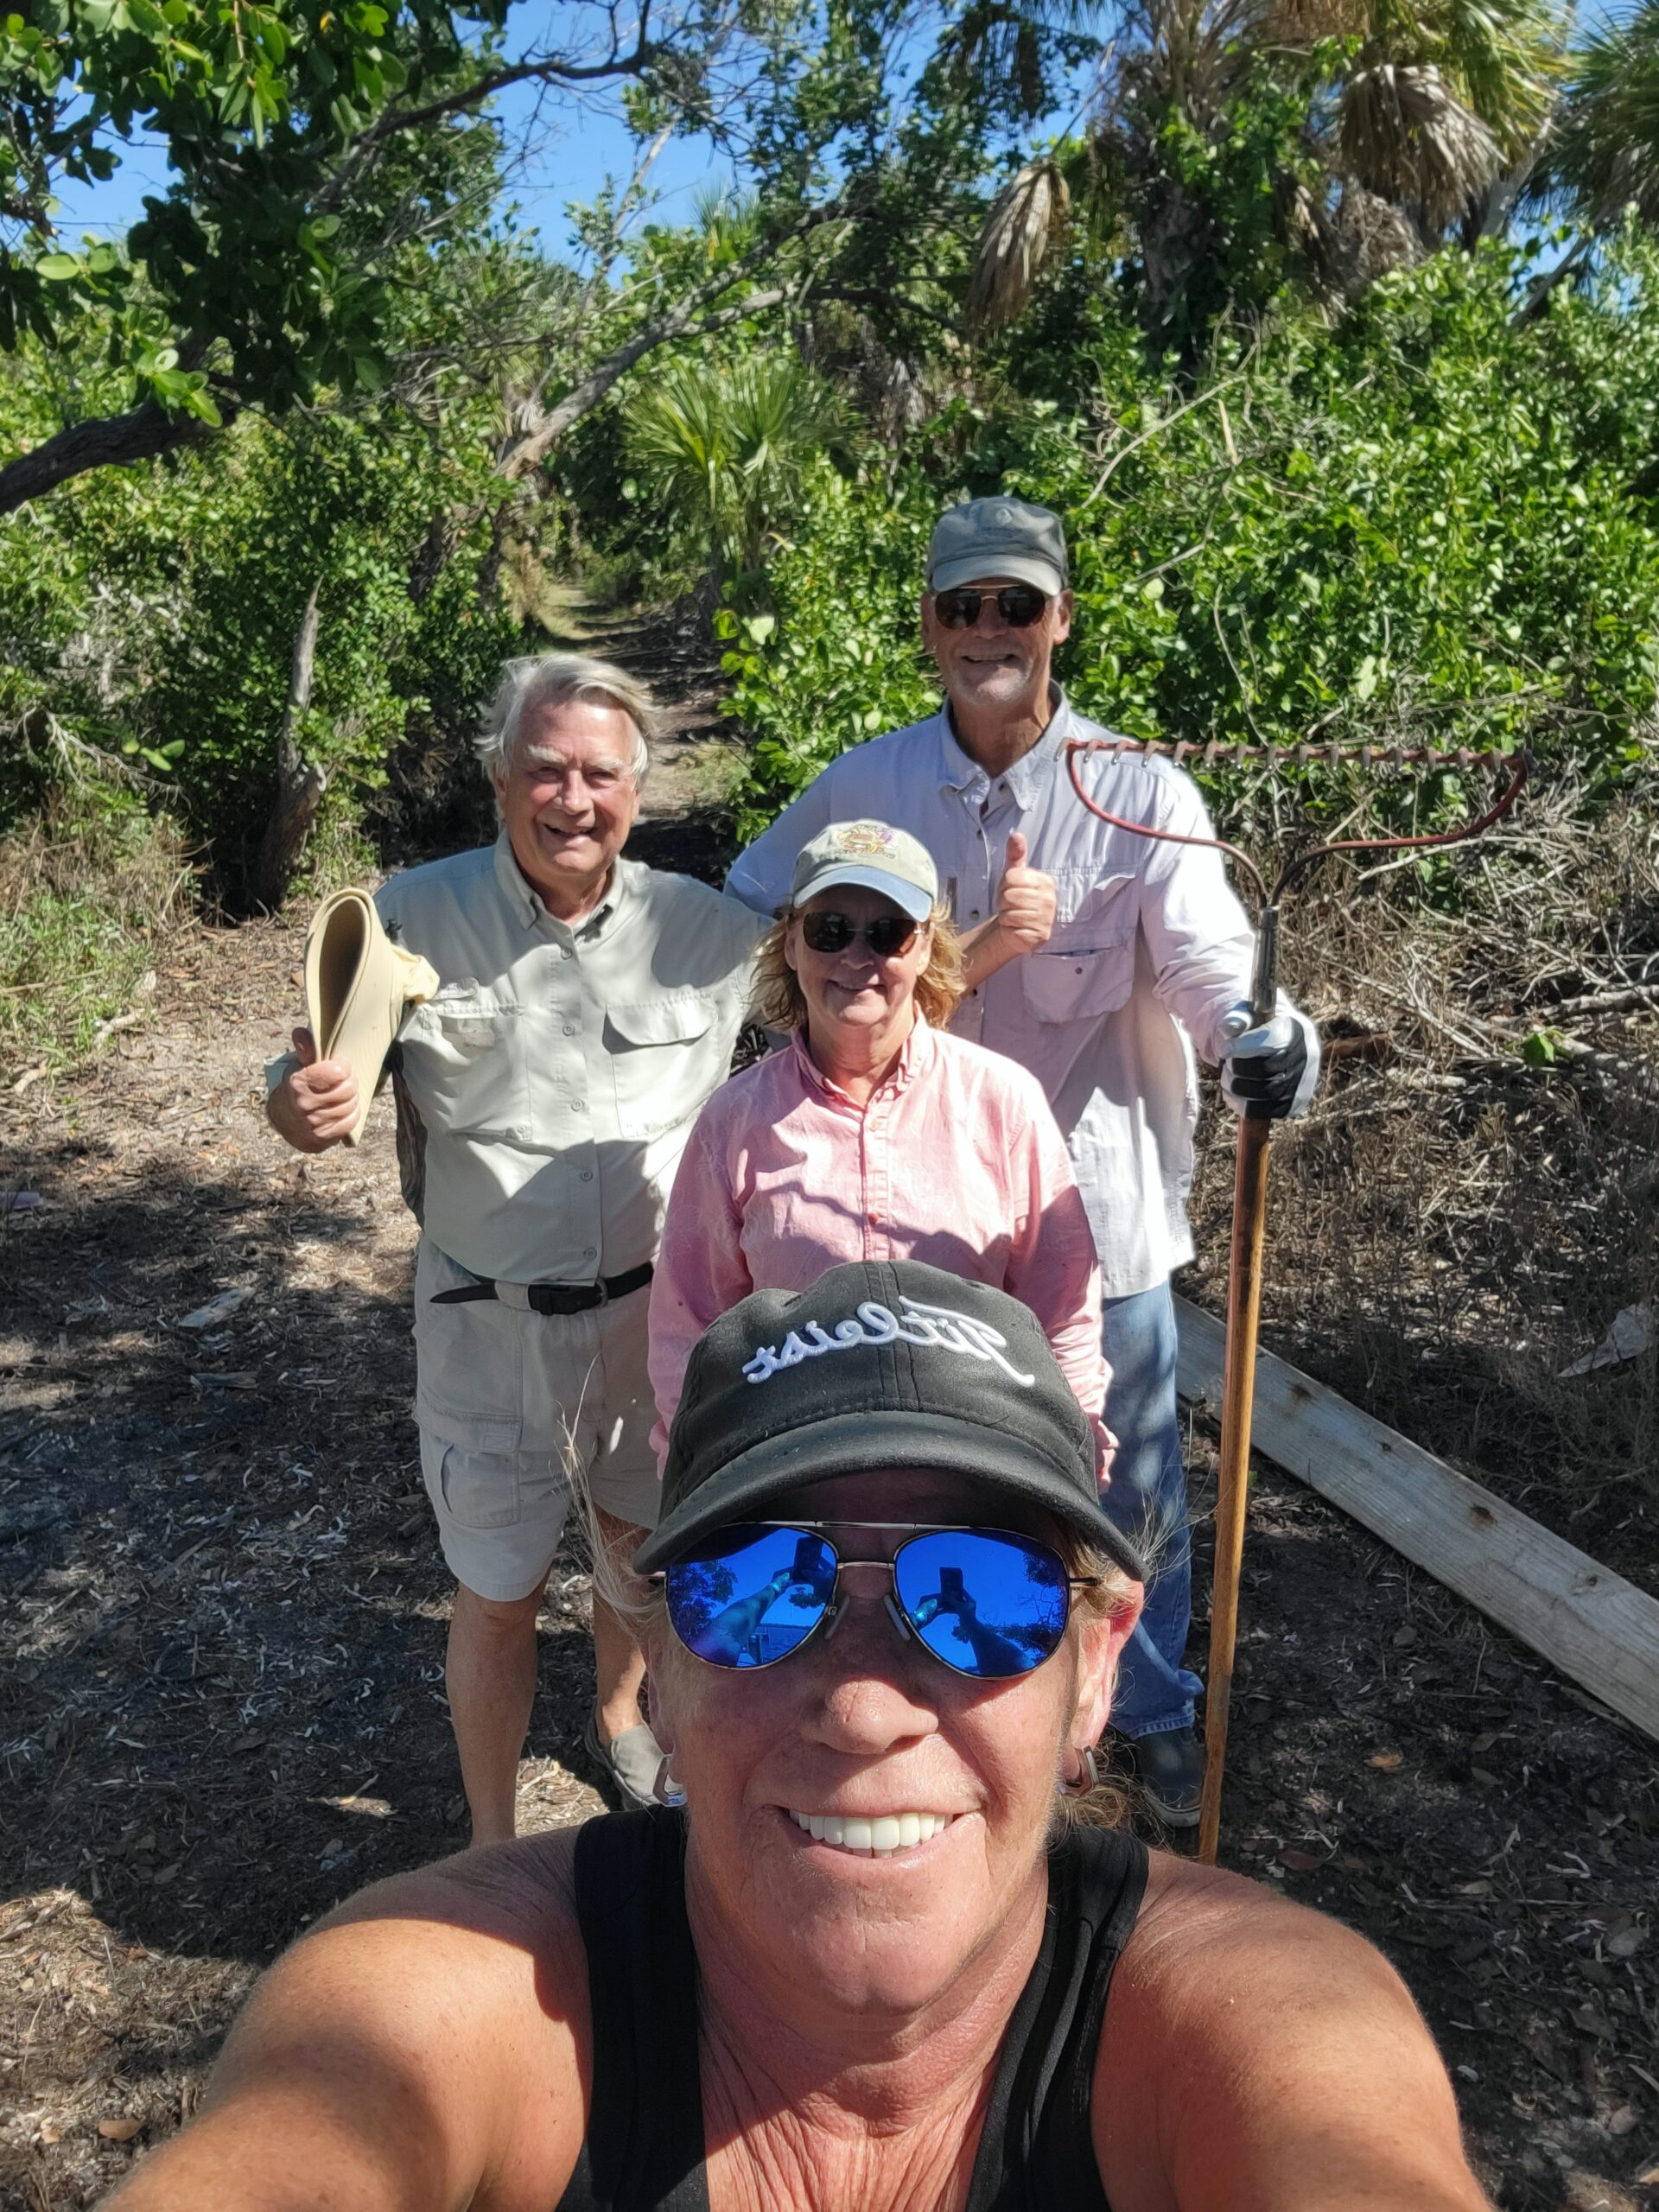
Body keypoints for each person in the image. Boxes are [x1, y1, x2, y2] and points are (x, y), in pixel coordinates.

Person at [103, 1261, 1491, 2212]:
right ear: (661, 1659)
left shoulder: (1255, 2022)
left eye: (985, 1593)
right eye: (762, 1591)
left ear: (1096, 1671)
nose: (867, 1703)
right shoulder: (458, 1998)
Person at [726, 496, 1322, 1827]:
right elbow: (740, 912)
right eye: (961, 606)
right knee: (922, 1487)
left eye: (1015, 604)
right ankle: (944, 1717)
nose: (987, 630)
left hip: (1088, 1216)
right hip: (896, 1225)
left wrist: (1266, 1040)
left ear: (1060, 617)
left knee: (1126, 1489)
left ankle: (1142, 1720)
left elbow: (1218, 966)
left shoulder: (1142, 793)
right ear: (928, 626)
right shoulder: (863, 781)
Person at [264, 652, 763, 1841]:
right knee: (497, 1591)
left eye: (601, 773)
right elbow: (313, 1065)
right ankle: (493, 1845)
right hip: (484, 1324)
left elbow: (874, 984)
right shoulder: (410, 916)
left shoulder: (709, 930)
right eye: (546, 769)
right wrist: (297, 1101)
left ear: (639, 790)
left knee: (639, 1555)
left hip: (654, 1321)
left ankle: (619, 1722)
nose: (573, 798)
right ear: (498, 776)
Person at [648, 817, 1111, 1465]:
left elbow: (1063, 1314)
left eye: (889, 933)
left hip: (978, 1472)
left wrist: (1075, 1462)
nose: (857, 958)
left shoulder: (1003, 1102)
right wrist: (694, 1473)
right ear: (789, 944)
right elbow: (689, 1329)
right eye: (830, 929)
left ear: (924, 949)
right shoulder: (734, 1120)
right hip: (792, 1476)